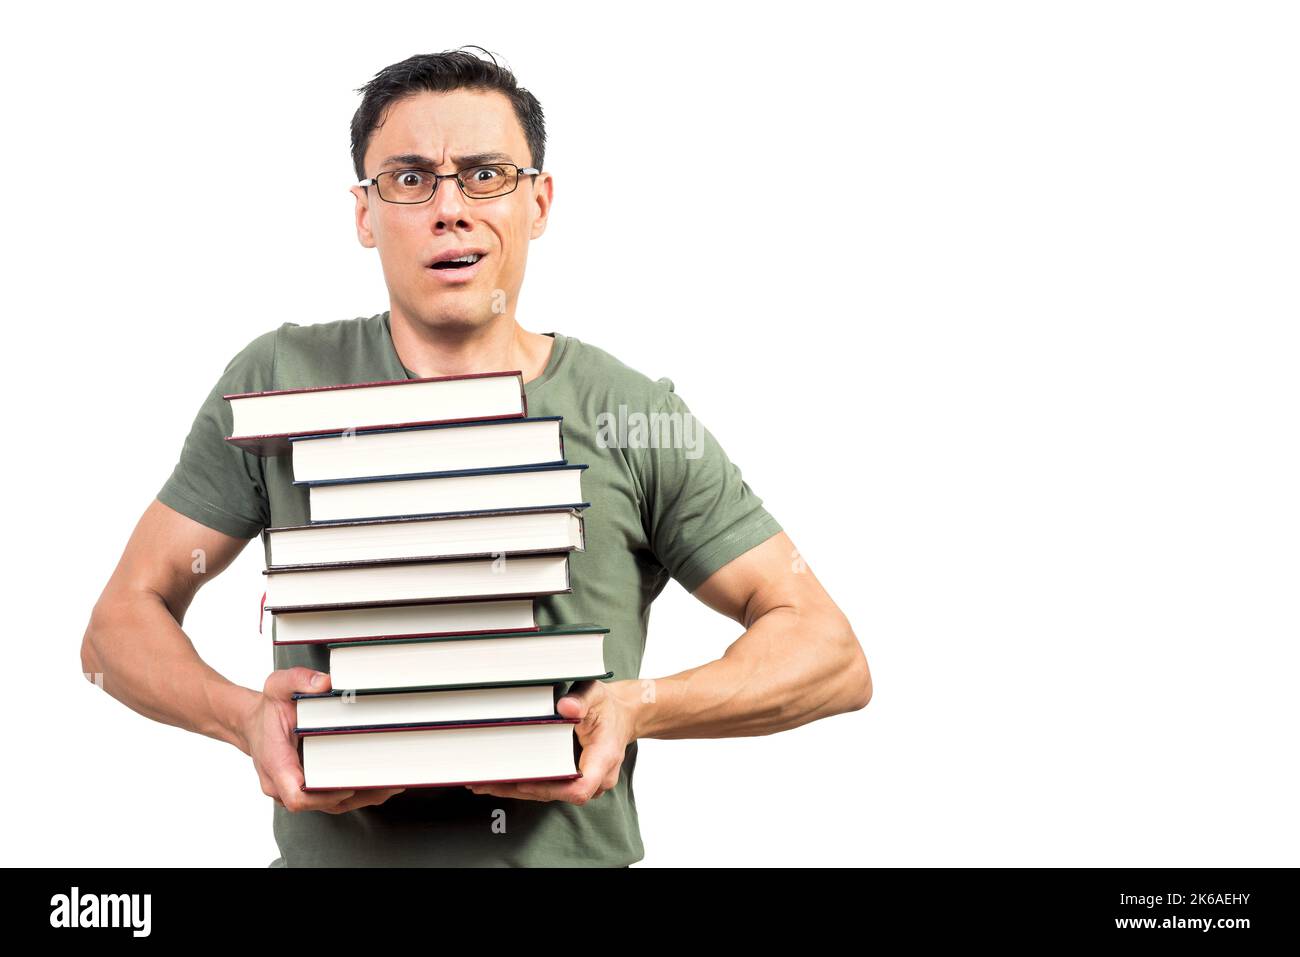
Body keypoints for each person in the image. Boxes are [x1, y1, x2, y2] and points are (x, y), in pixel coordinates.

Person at [80, 46, 872, 867]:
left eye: (487, 175)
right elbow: (114, 629)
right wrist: (241, 716)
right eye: (410, 178)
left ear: (540, 202)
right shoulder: (279, 381)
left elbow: (828, 652)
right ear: (364, 213)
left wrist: (641, 705)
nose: (449, 208)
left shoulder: (629, 413)